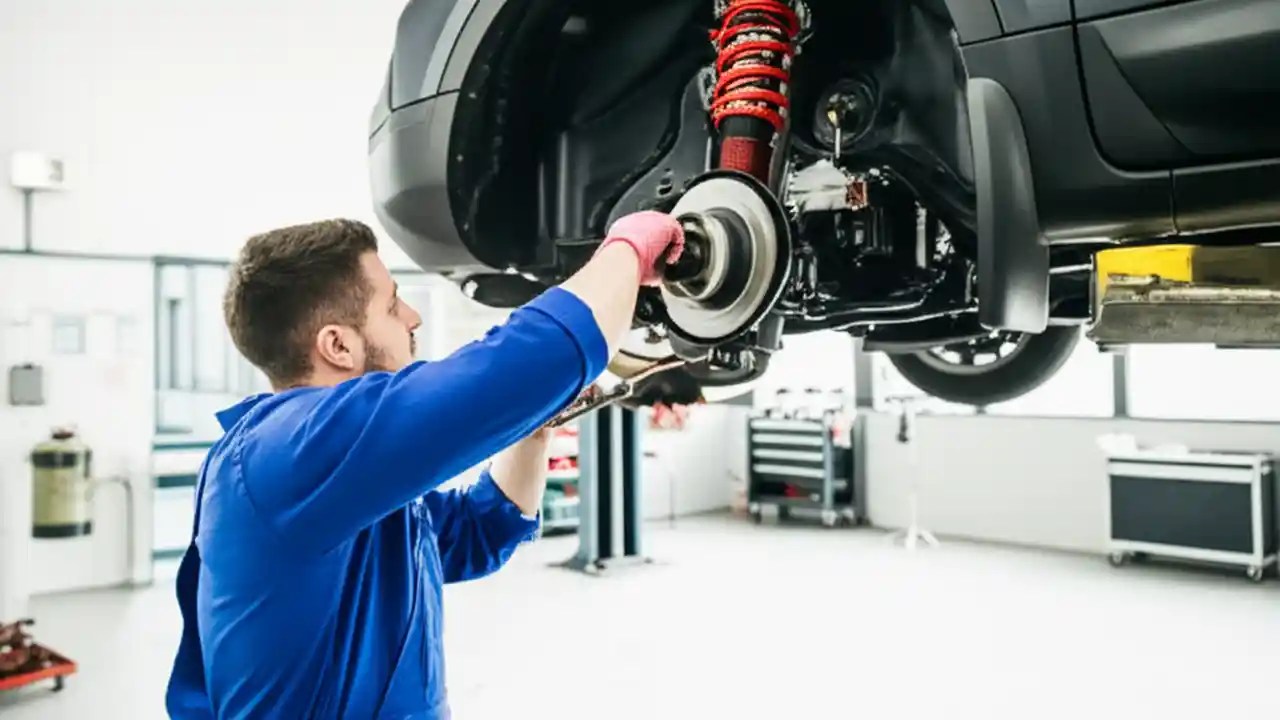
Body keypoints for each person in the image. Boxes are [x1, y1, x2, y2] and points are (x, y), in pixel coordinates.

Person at [165, 211, 685, 719]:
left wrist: (532, 431)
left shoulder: (345, 482)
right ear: (338, 345)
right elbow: (530, 358)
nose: (412, 317)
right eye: (392, 306)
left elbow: (482, 532)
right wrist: (628, 250)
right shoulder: (277, 452)